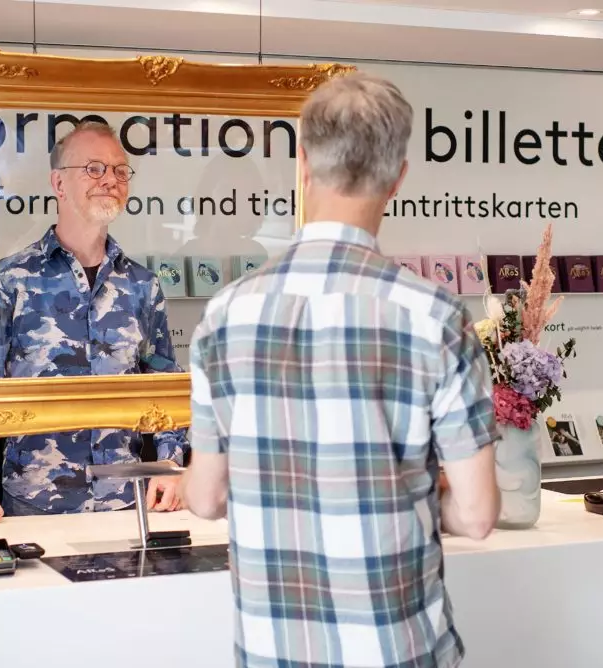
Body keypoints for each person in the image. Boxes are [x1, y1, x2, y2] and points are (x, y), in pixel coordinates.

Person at [181, 72, 501, 668]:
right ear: (398, 177)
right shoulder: (434, 317)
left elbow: (203, 497)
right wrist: (413, 499)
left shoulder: (224, 314)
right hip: (397, 646)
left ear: (302, 162)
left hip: (270, 650)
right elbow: (479, 515)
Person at [0, 120, 189, 524]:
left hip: (126, 504)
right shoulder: (10, 282)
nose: (110, 179)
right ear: (59, 184)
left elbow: (164, 386)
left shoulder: (142, 286)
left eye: (119, 170)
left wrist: (170, 464)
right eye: (94, 168)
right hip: (33, 504)